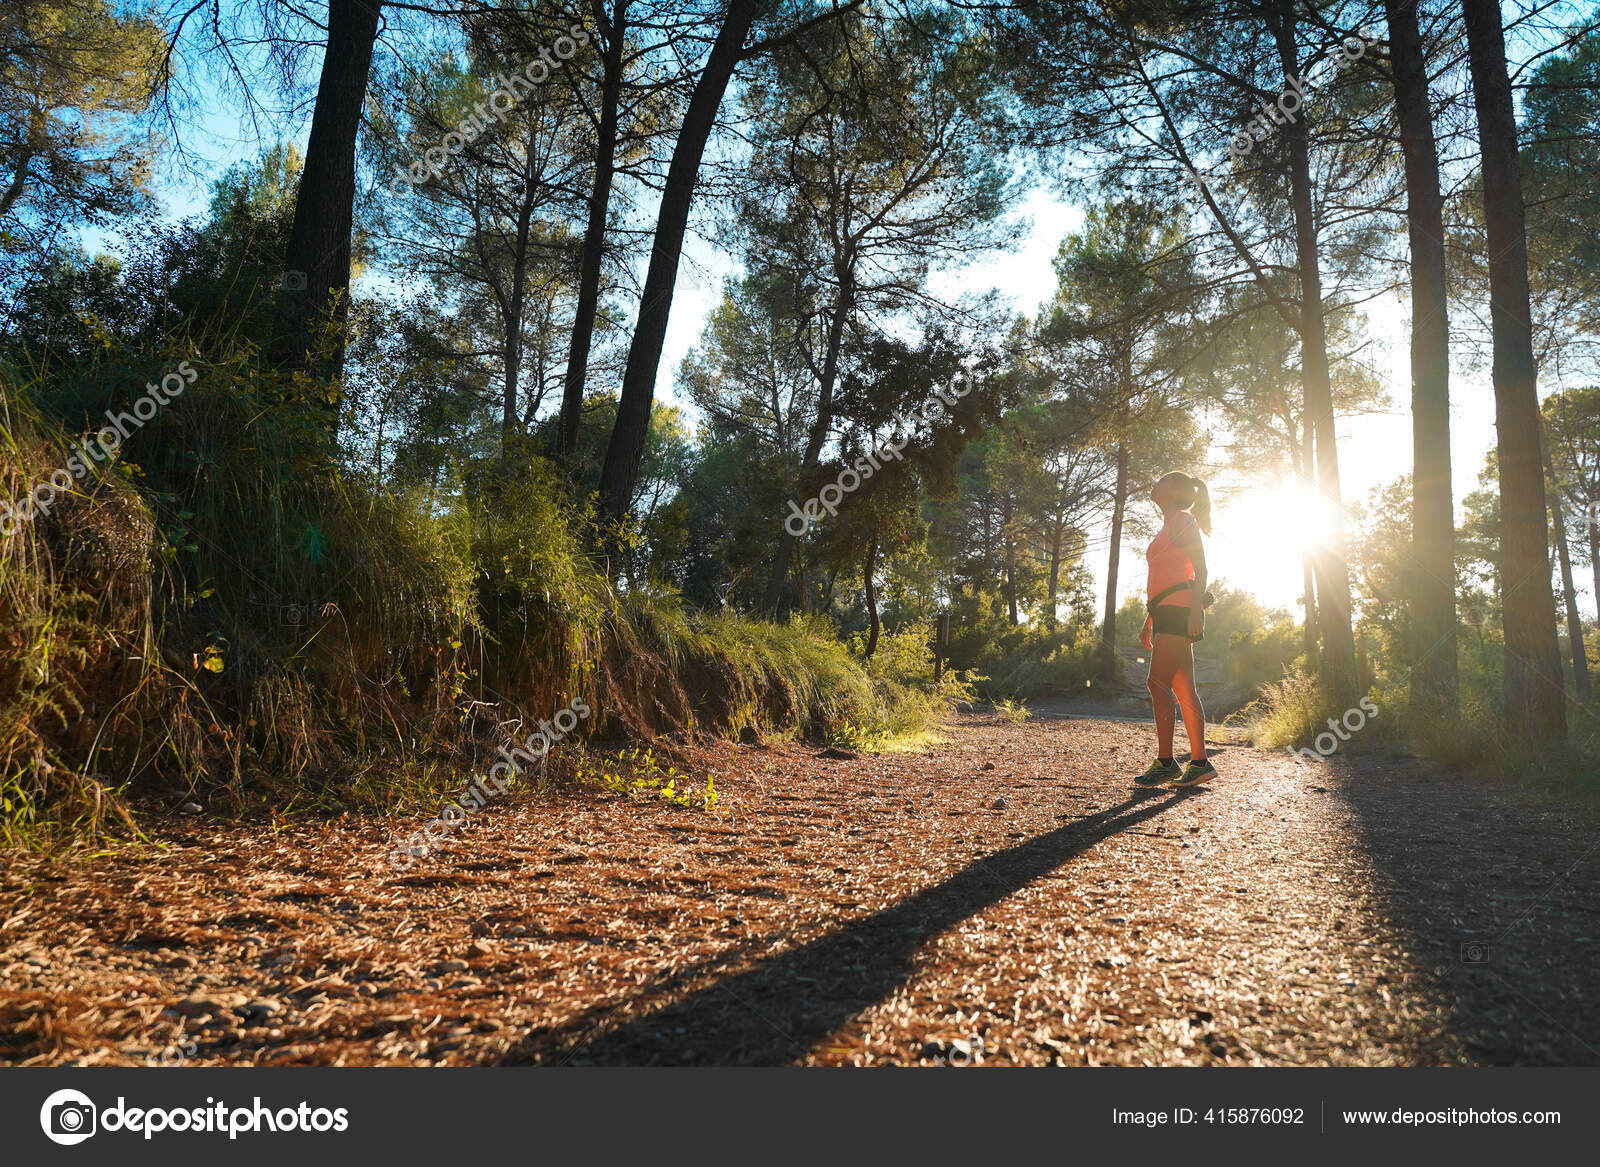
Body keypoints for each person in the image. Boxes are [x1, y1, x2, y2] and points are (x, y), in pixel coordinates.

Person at [1133, 472, 1217, 787]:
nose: (1156, 483)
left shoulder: (1182, 520)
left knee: (1157, 683)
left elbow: (1201, 568)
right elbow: (1162, 581)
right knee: (1182, 689)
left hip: (1179, 611)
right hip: (1166, 611)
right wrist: (1149, 620)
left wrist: (1196, 610)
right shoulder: (1170, 525)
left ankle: (1167, 762)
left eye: (1164, 480)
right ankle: (1199, 763)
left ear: (1176, 491)